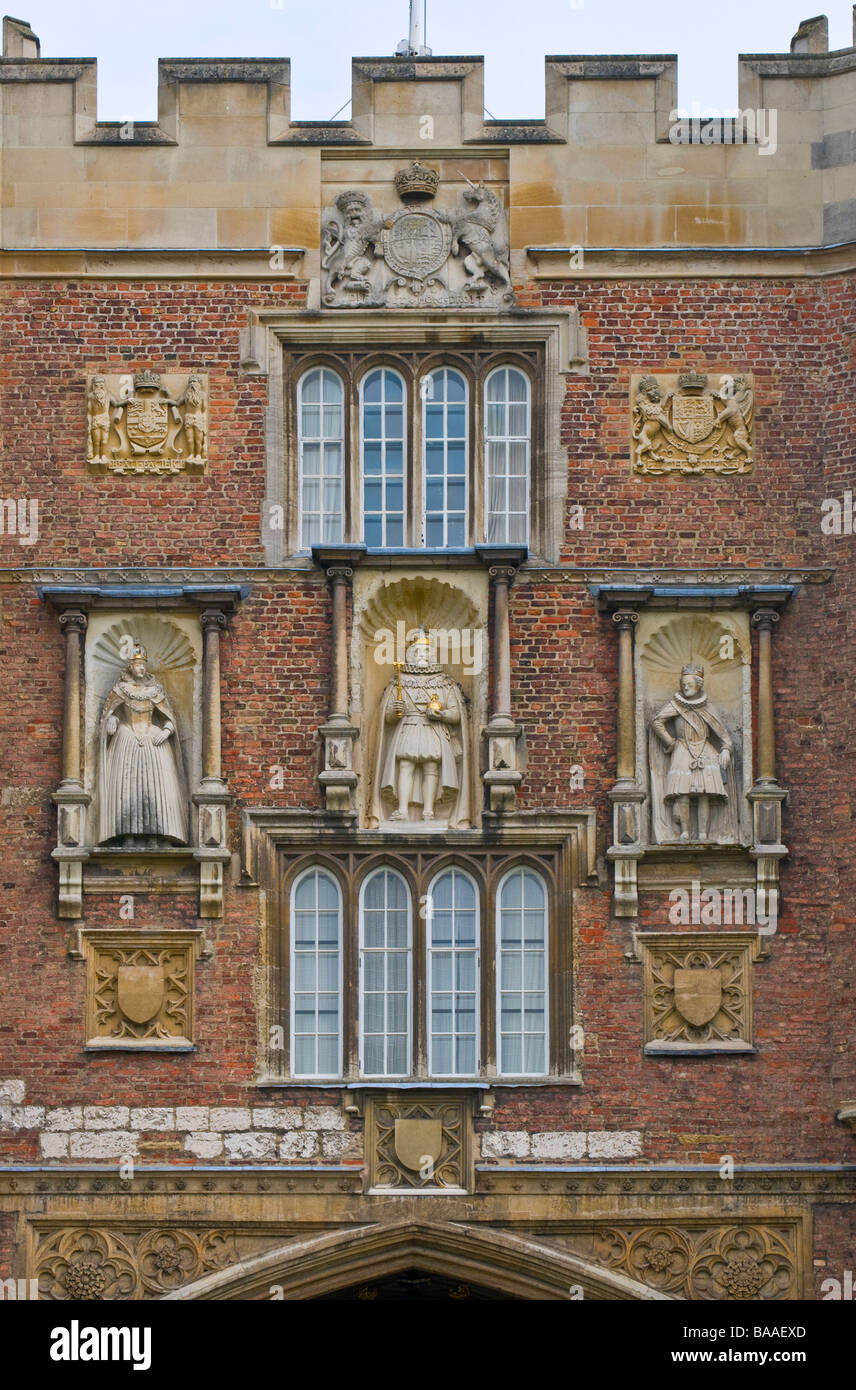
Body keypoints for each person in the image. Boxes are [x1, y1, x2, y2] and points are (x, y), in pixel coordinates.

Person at [371, 628, 470, 827]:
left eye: (425, 652)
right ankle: (403, 809)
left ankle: (428, 811)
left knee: (431, 767)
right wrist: (395, 711)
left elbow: (456, 713)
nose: (421, 655)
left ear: (431, 654)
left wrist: (441, 714)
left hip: (433, 729)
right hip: (408, 726)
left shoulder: (444, 683)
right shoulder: (399, 682)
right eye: (417, 652)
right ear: (411, 655)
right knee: (406, 765)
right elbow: (388, 717)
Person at [97, 644, 187, 845]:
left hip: (153, 740)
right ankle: (126, 834)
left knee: (155, 788)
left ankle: (157, 834)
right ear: (130, 666)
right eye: (138, 665)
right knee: (128, 787)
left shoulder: (155, 690)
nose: (141, 668)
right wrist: (112, 721)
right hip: (127, 737)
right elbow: (108, 716)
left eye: (143, 665)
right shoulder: (120, 690)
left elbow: (169, 719)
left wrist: (166, 730)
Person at [649, 663, 739, 843]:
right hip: (682, 749)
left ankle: (704, 834)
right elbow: (657, 722)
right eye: (683, 684)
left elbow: (725, 737)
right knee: (683, 793)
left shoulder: (708, 708)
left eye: (689, 684)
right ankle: (685, 832)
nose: (685, 687)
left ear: (699, 684)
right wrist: (670, 741)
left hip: (705, 751)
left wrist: (725, 751)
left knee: (704, 793)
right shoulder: (675, 705)